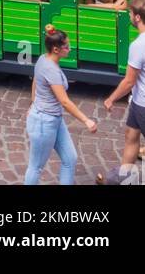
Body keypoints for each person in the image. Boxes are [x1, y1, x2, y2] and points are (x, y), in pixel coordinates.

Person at [24, 26, 97, 185]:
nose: (69, 49)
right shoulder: (51, 70)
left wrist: (33, 102)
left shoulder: (43, 58)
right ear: (56, 49)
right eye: (66, 47)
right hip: (44, 123)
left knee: (70, 158)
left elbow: (36, 80)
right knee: (36, 167)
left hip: (53, 119)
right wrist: (86, 120)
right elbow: (64, 101)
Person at [98, 0, 145, 182]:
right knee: (131, 136)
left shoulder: (138, 46)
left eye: (131, 13)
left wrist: (111, 99)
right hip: (141, 102)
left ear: (138, 18)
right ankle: (123, 178)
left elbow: (129, 82)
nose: (129, 16)